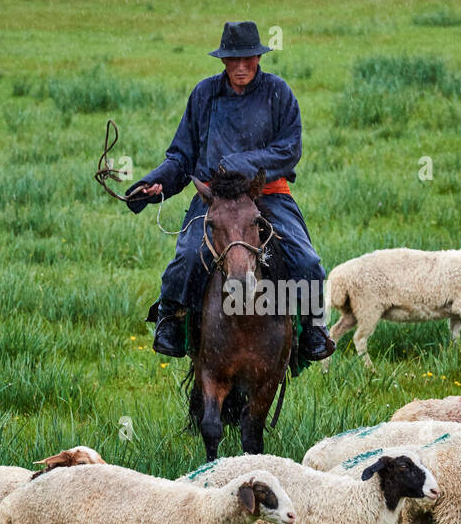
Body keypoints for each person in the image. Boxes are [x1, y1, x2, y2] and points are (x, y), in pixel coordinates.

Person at [125, 21, 336, 362]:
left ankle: (312, 329)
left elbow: (289, 150)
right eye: (232, 59)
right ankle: (170, 320)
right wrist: (157, 183)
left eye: (247, 58)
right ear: (222, 60)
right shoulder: (204, 95)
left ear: (258, 56)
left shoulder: (278, 92)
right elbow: (181, 156)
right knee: (190, 256)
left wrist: (241, 163)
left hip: (267, 195)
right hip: (215, 199)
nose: (240, 66)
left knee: (306, 260)